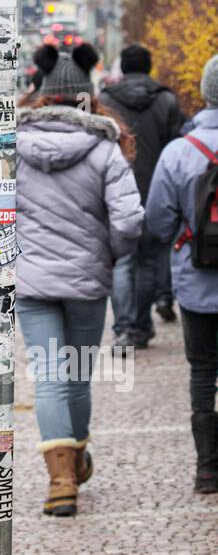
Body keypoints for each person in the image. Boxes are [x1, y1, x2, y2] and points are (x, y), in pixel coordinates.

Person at [16, 43, 143, 517]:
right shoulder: (106, 149)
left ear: (43, 96)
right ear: (88, 96)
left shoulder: (12, 148)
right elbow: (130, 222)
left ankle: (61, 480)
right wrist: (109, 256)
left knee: (48, 376)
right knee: (78, 376)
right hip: (88, 285)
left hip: (30, 284)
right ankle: (78, 459)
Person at [145, 54, 218, 493]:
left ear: (205, 93)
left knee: (202, 371)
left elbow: (156, 222)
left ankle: (207, 469)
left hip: (197, 283)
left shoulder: (179, 152)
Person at [101, 44, 184, 348]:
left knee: (122, 262)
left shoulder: (107, 100)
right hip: (156, 192)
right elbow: (177, 147)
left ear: (122, 68)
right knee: (148, 261)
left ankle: (123, 327)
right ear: (149, 67)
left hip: (116, 191)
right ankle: (141, 324)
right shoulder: (167, 100)